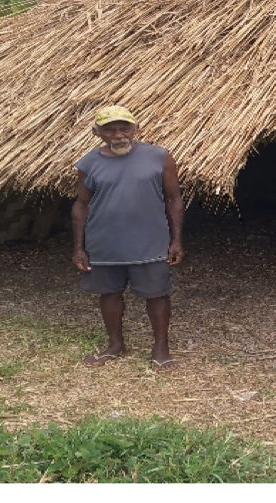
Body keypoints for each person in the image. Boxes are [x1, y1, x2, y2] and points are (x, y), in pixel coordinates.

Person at [72, 105, 185, 370]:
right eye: (110, 129)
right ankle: (115, 344)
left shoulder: (159, 157)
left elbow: (174, 199)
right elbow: (81, 205)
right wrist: (79, 247)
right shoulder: (88, 163)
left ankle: (160, 347)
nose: (118, 134)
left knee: (157, 294)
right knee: (109, 293)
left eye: (124, 128)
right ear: (97, 133)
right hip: (104, 243)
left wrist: (176, 239)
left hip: (150, 241)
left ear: (136, 129)